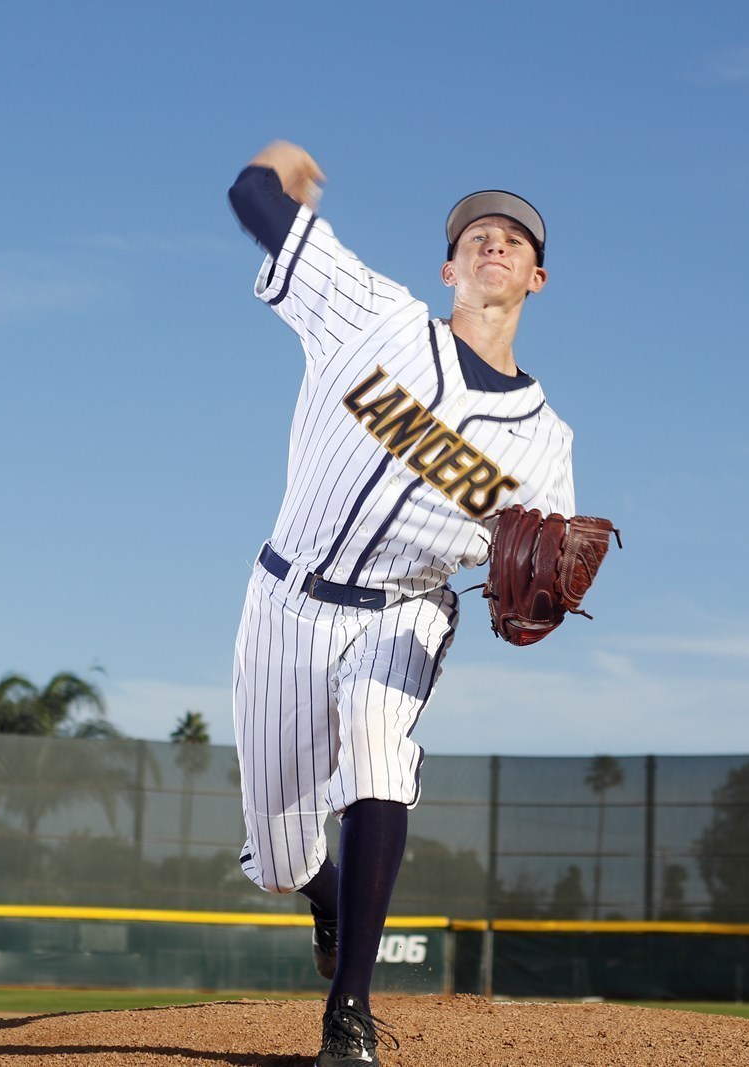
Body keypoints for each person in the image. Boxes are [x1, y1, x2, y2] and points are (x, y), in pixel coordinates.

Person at [227, 140, 576, 1067]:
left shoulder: (544, 443)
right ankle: (327, 900)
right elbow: (252, 199)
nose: (492, 245)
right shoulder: (375, 318)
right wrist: (277, 169)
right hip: (285, 600)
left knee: (381, 755)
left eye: (511, 240)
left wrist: (538, 595)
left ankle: (350, 1013)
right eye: (475, 236)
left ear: (536, 278)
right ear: (448, 266)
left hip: (404, 610)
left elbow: (543, 582)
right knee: (279, 859)